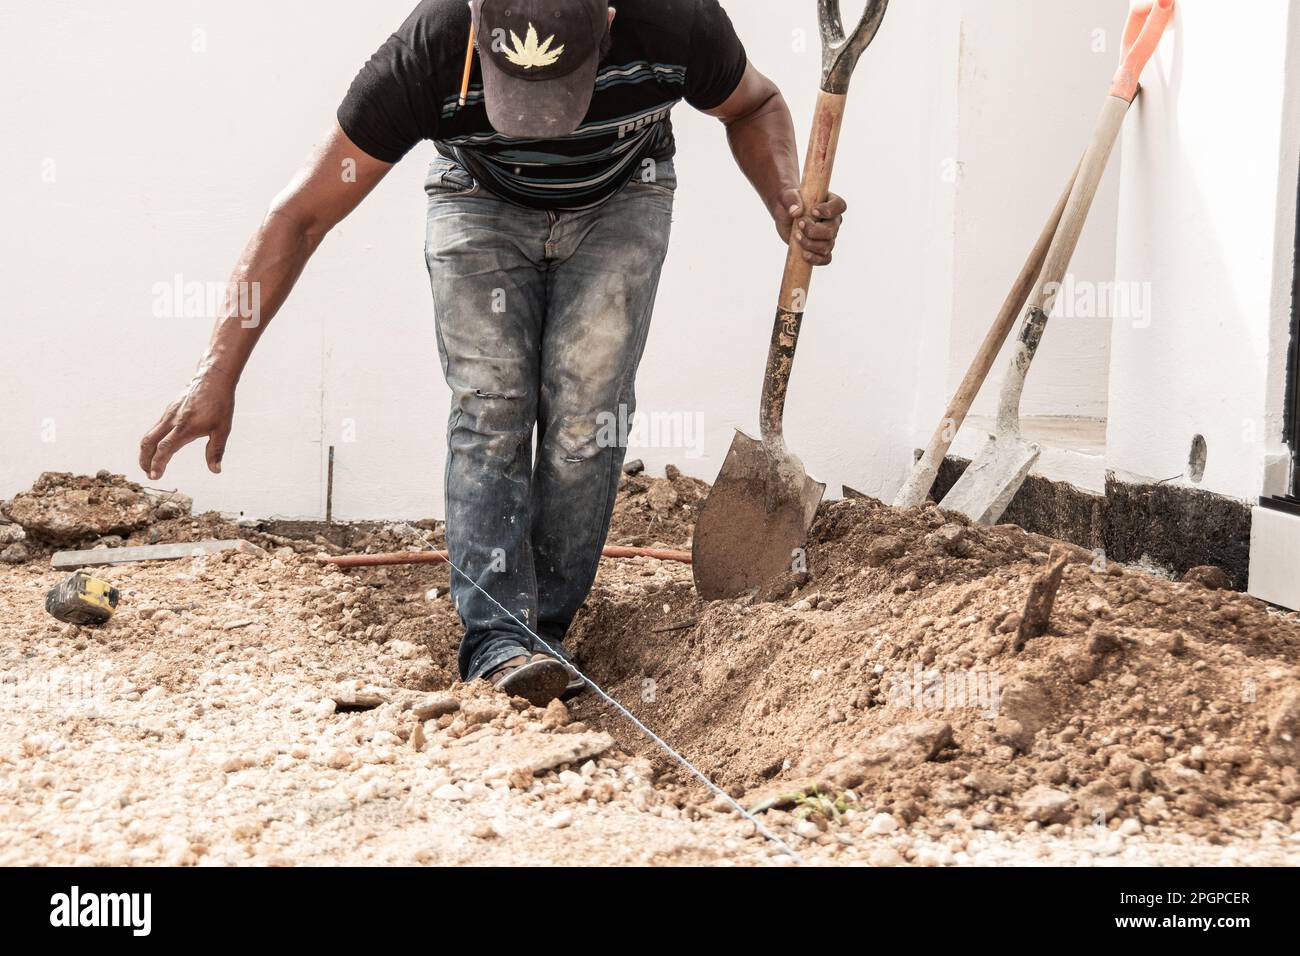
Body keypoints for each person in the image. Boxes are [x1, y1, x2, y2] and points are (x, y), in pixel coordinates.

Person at [138, 0, 848, 705]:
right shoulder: (431, 49)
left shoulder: (674, 20)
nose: (540, 114)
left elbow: (753, 105)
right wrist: (216, 373)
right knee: (491, 404)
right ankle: (500, 640)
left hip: (622, 197)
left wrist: (784, 197)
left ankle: (547, 630)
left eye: (558, 89)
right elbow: (298, 216)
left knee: (587, 412)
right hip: (478, 199)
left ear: (607, 19)